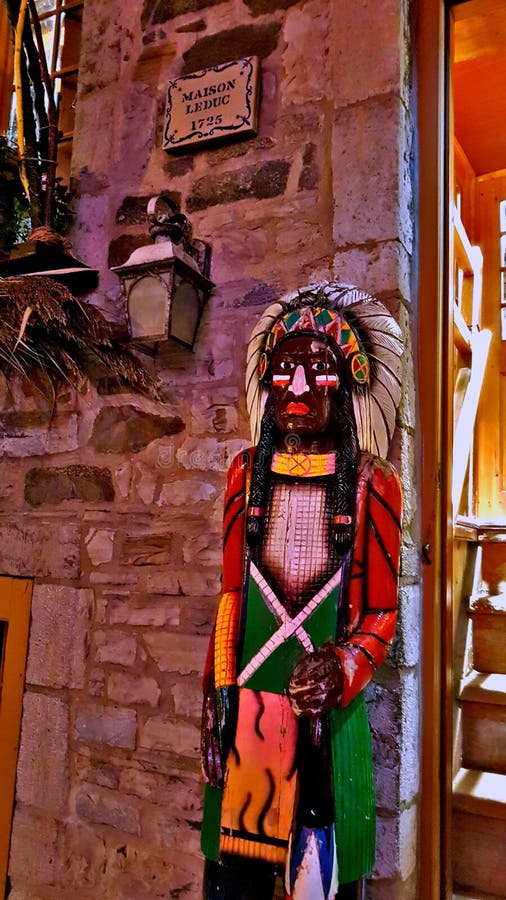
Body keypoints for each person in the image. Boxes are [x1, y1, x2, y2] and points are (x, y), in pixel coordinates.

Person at [200, 283, 403, 900]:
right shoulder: (244, 476)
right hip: (250, 714)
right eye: (284, 369)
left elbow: (382, 612)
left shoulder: (372, 487)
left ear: (348, 386)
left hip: (325, 722)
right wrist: (215, 691)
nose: (296, 386)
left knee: (318, 876)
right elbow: (232, 594)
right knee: (238, 871)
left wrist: (340, 666)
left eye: (318, 371)